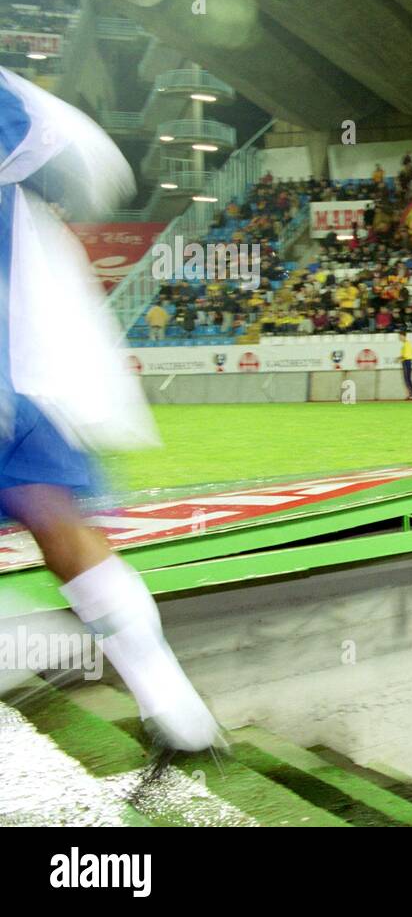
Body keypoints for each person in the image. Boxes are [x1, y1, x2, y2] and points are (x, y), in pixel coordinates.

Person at [0, 67, 220, 753]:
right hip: (25, 365)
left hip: (15, 357)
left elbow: (72, 153)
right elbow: (80, 156)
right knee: (54, 515)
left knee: (54, 517)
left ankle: (29, 641)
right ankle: (178, 712)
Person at [398, 330, 412, 400]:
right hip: (408, 361)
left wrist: (399, 358)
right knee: (408, 379)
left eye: (400, 336)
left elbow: (406, 355)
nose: (400, 338)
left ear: (403, 336)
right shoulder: (407, 344)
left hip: (406, 362)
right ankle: (411, 394)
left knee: (407, 379)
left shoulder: (406, 344)